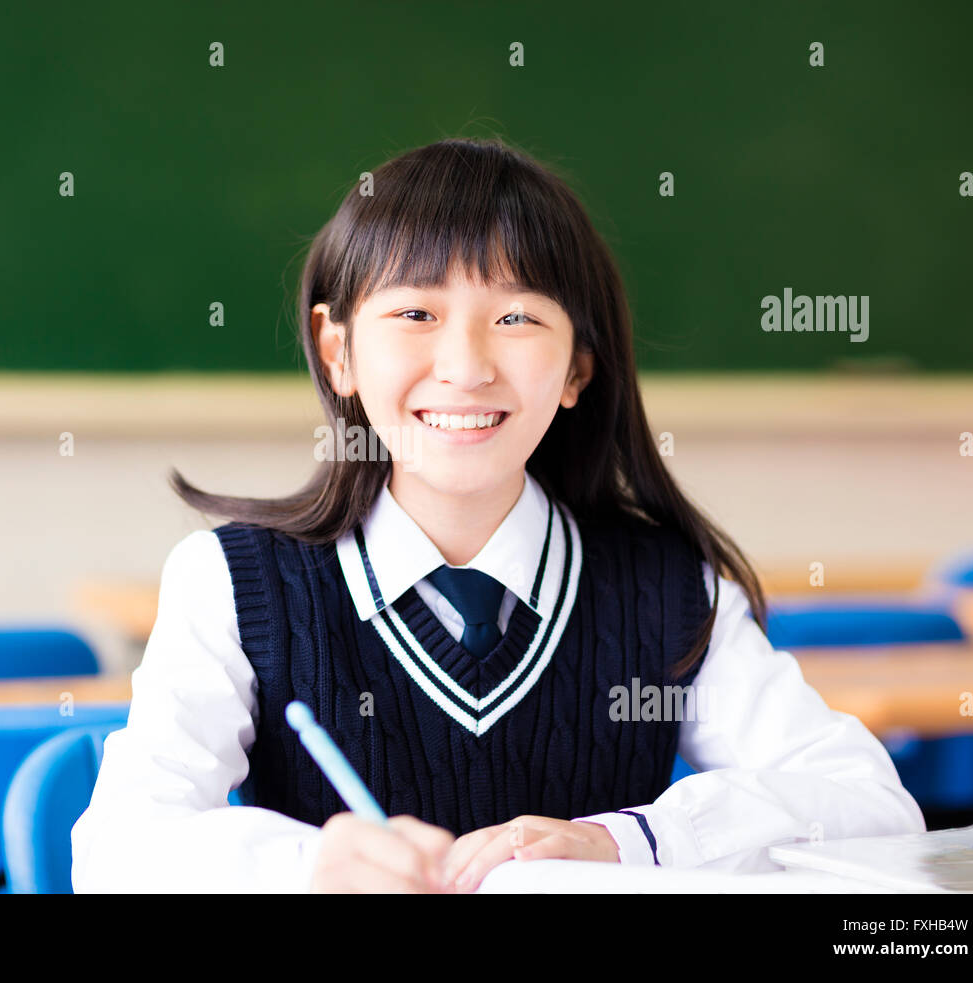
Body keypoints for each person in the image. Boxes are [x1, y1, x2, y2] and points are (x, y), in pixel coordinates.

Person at [71, 136, 924, 893]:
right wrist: (309, 869)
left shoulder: (664, 587)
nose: (466, 365)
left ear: (577, 369)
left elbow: (868, 802)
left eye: (516, 317)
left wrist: (628, 840)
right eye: (415, 313)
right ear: (339, 352)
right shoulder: (235, 584)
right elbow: (116, 850)